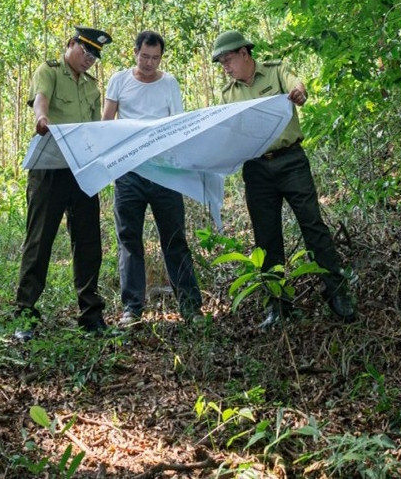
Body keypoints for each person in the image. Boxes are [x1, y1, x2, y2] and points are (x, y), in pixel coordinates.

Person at [211, 29, 356, 328]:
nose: (225, 67)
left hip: (291, 162)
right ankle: (277, 306)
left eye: (228, 59)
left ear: (244, 53)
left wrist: (299, 93)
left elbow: (297, 87)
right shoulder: (228, 94)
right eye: (220, 62)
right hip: (256, 170)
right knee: (266, 238)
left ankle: (337, 292)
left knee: (312, 225)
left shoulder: (276, 71)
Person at [12, 25, 114, 339]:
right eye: (85, 52)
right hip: (50, 170)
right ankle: (25, 316)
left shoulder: (93, 87)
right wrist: (40, 119)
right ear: (70, 44)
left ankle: (91, 316)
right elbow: (41, 101)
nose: (89, 60)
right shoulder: (50, 71)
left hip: (82, 169)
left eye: (95, 56)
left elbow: (97, 128)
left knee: (88, 242)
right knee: (39, 241)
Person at [103, 30, 202, 325]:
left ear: (161, 57)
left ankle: (190, 307)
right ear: (135, 52)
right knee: (129, 239)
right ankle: (132, 308)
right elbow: (107, 124)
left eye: (155, 58)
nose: (149, 63)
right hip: (129, 173)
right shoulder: (118, 80)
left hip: (165, 173)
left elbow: (178, 126)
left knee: (174, 239)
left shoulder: (169, 83)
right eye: (144, 56)